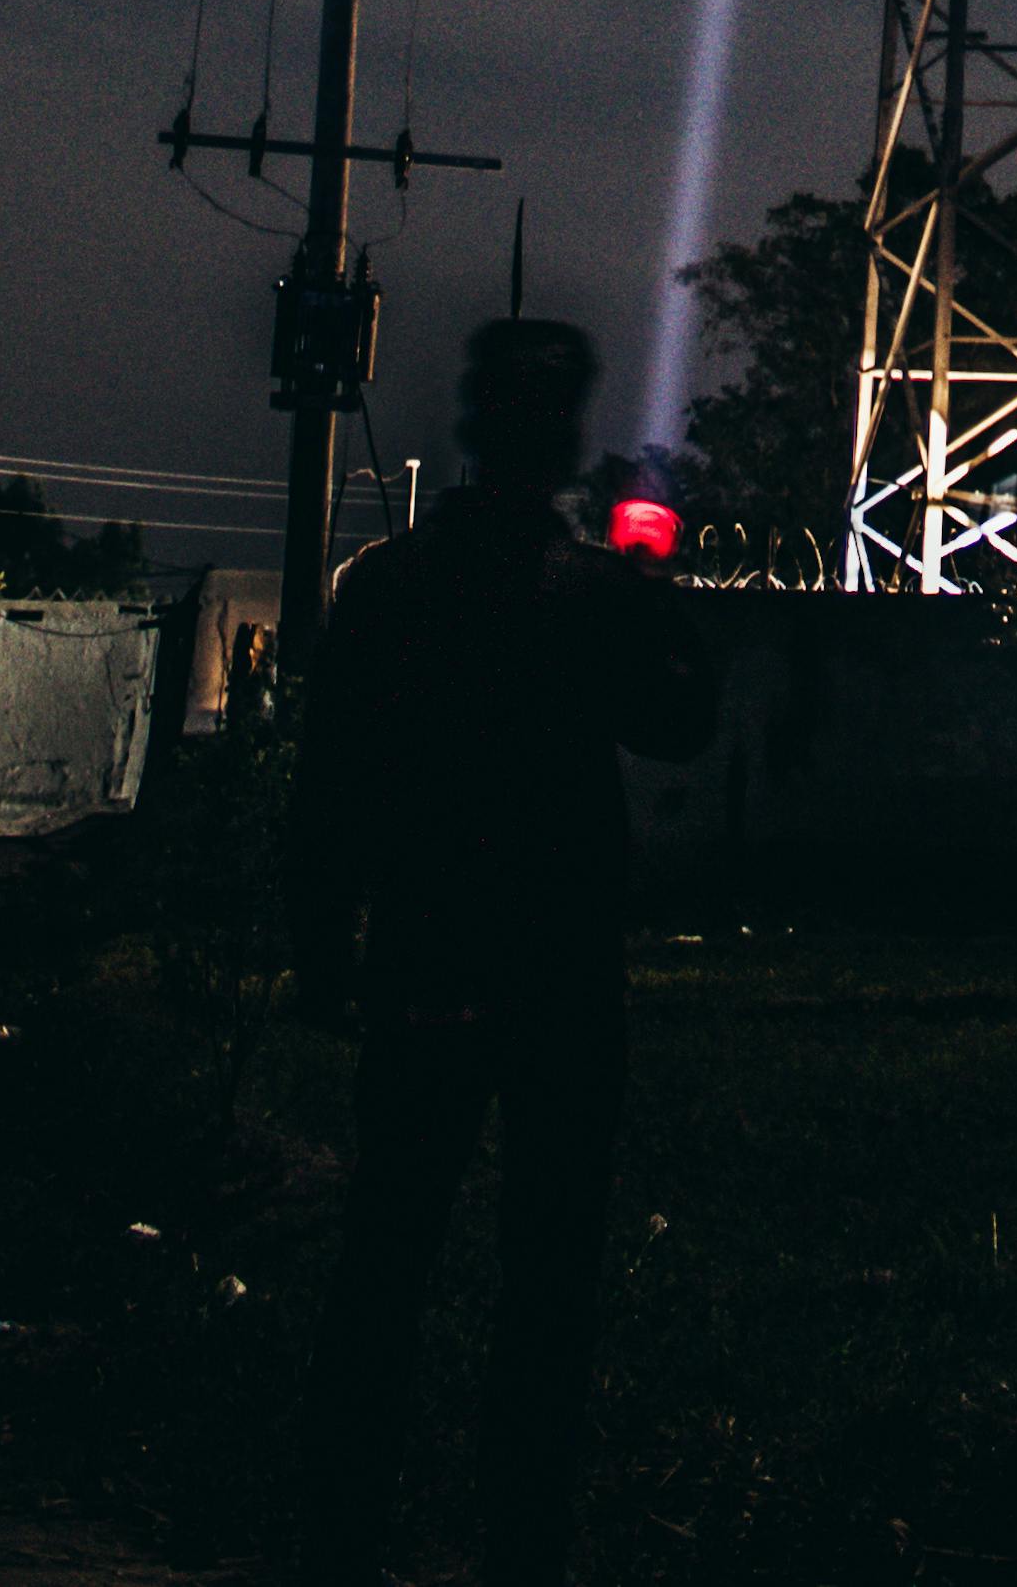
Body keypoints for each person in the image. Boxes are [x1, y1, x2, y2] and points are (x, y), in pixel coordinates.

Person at [289, 315, 716, 1584]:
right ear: (569, 442)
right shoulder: (591, 596)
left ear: (470, 430)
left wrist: (322, 939)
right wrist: (654, 579)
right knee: (548, 1274)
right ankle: (518, 1531)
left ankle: (340, 1523)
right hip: (562, 978)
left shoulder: (386, 587)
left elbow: (330, 789)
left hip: (424, 960)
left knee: (387, 1252)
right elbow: (679, 724)